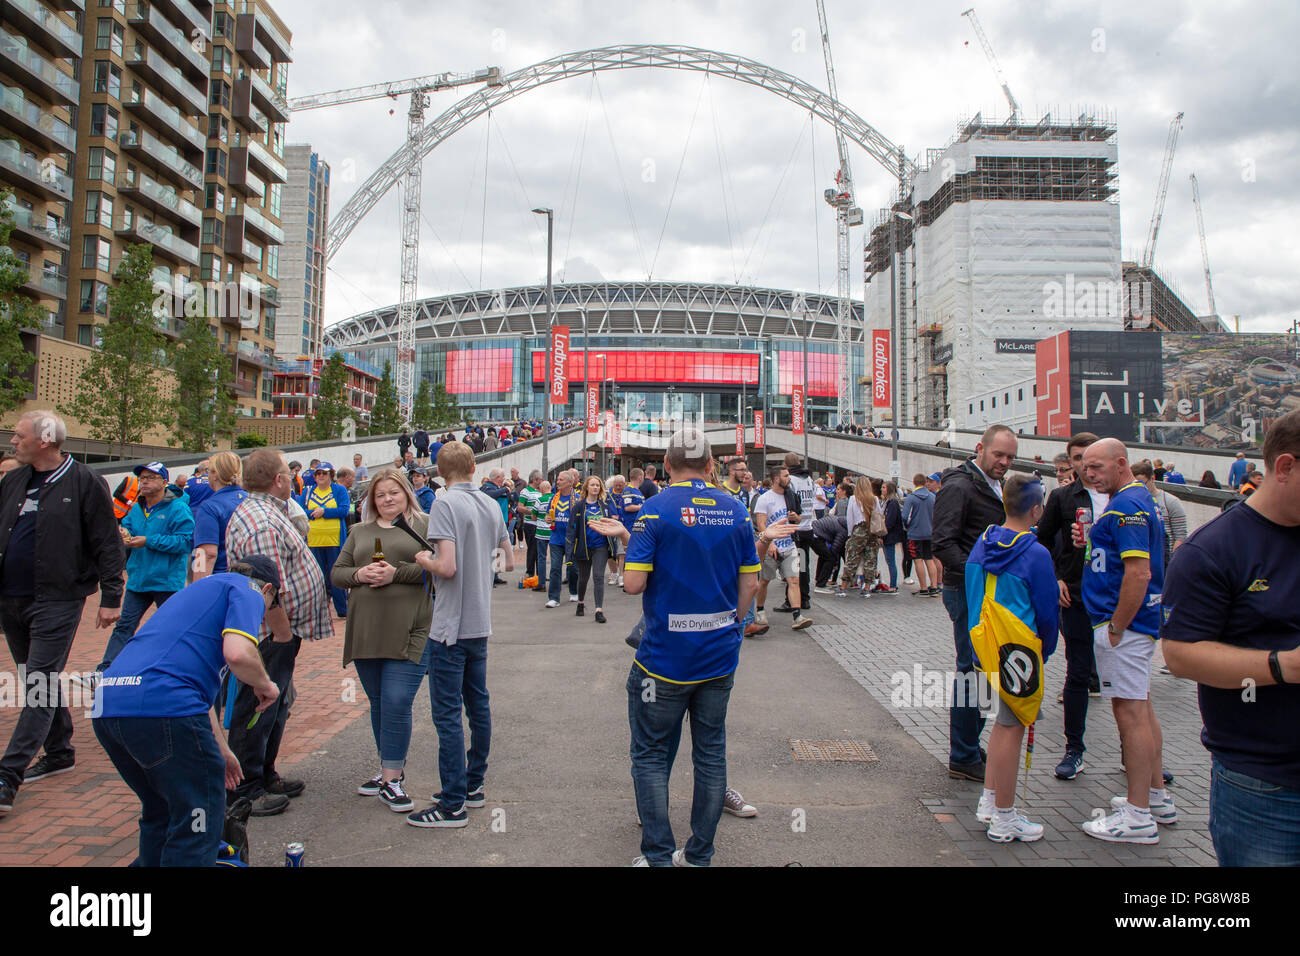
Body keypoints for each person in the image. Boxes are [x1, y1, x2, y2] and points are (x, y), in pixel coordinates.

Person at [590, 428, 761, 866]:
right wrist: (736, 624)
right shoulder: (737, 510)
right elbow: (751, 582)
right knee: (710, 752)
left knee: (649, 755)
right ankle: (699, 855)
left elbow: (631, 585)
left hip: (662, 662)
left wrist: (629, 543)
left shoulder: (654, 510)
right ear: (710, 466)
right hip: (719, 658)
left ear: (665, 465)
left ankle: (659, 855)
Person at [1160, 409, 1300, 866]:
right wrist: (1283, 665)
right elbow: (1181, 655)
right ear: (1285, 467)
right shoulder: (1213, 550)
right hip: (1264, 788)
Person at [93, 558, 280, 865]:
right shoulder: (247, 588)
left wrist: (220, 748)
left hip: (110, 705)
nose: (262, 617)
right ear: (268, 588)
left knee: (162, 810)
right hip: (164, 706)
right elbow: (238, 653)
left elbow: (192, 686)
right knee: (199, 816)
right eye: (270, 605)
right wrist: (266, 684)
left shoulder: (195, 594)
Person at [0, 411, 123, 812]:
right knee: (34, 677)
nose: (12, 441)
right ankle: (59, 750)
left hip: (58, 598)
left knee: (37, 682)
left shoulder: (84, 481)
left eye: (19, 436)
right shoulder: (14, 480)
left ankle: (7, 775)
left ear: (46, 440)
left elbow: (107, 541)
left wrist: (111, 596)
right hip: (12, 599)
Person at [407, 441, 513, 828]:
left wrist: (424, 560)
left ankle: (452, 803)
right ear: (473, 467)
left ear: (439, 471)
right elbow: (509, 560)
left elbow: (447, 567)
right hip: (478, 622)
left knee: (448, 714)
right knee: (478, 705)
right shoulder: (488, 502)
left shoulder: (445, 503)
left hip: (450, 625)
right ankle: (471, 785)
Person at [224, 449, 333, 816]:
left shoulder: (268, 511)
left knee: (275, 704)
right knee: (258, 704)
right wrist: (283, 634)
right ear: (278, 480)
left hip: (279, 633)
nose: (292, 478)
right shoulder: (262, 523)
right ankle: (246, 787)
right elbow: (269, 591)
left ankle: (263, 772)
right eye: (288, 473)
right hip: (271, 634)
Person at [1077, 438, 1175, 844]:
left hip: (1124, 627)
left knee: (1129, 714)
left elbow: (1138, 573)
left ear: (1121, 464)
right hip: (1133, 625)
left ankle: (1138, 816)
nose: (1088, 473)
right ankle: (1154, 797)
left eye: (1096, 466)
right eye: (1085, 466)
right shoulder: (1135, 501)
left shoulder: (1128, 507)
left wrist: (1116, 626)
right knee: (1142, 708)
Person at [333, 469, 433, 812]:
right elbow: (337, 572)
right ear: (371, 500)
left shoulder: (424, 524)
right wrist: (359, 574)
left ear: (406, 493)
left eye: (394, 492)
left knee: (395, 700)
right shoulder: (359, 531)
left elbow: (440, 566)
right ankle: (388, 769)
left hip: (411, 626)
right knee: (378, 703)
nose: (387, 499)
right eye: (380, 494)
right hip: (366, 629)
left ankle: (393, 779)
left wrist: (396, 573)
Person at [966, 474, 1059, 843]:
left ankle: (990, 801)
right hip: (1019, 653)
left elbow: (971, 592)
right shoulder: (1035, 553)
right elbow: (1048, 613)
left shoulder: (982, 542)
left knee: (1000, 725)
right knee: (1011, 728)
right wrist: (1044, 651)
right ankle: (1005, 817)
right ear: (1036, 510)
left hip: (986, 647)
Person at [933, 424, 1019, 782]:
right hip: (969, 592)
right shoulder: (959, 485)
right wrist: (976, 576)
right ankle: (964, 754)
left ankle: (969, 745)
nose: (1004, 462)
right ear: (980, 448)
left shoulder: (991, 484)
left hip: (985, 592)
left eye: (1010, 457)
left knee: (984, 671)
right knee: (973, 670)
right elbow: (943, 542)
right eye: (998, 455)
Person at [1034, 432, 1104, 780]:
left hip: (1115, 600)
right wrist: (1056, 578)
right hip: (1075, 594)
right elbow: (1042, 540)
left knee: (1127, 681)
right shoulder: (1062, 497)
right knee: (1077, 673)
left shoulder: (1123, 497)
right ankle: (1074, 749)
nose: (1086, 466)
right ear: (1070, 462)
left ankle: (1137, 752)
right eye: (1078, 459)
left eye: (1091, 459)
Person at [98, 462, 195, 674]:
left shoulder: (178, 508)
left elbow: (184, 542)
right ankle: (105, 671)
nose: (144, 482)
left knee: (173, 629)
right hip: (138, 580)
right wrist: (123, 534)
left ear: (164, 482)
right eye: (142, 478)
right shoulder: (136, 507)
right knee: (124, 627)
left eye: (150, 477)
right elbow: (128, 527)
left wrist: (148, 541)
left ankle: (180, 672)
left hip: (167, 581)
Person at [753, 466, 812, 630]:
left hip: (789, 545)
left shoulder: (791, 496)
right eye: (786, 476)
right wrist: (769, 543)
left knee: (794, 580)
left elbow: (798, 519)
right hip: (771, 547)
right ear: (776, 479)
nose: (789, 478)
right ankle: (760, 610)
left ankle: (797, 615)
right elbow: (761, 524)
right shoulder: (764, 499)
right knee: (764, 580)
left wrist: (796, 517)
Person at [297, 462, 350, 619]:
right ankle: (320, 609)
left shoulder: (339, 490)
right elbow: (300, 512)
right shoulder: (308, 492)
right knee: (317, 577)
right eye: (318, 473)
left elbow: (344, 509)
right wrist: (313, 512)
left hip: (334, 540)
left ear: (331, 475)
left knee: (336, 575)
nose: (321, 476)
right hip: (314, 541)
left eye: (324, 473)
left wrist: (324, 512)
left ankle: (342, 608)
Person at [191, 451, 247, 579]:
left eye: (209, 471)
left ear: (215, 474)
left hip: (221, 578)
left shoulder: (210, 507)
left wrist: (197, 589)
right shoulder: (250, 500)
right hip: (250, 577)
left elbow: (207, 554)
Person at [570, 475, 613, 623]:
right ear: (586, 488)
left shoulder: (604, 506)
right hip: (584, 546)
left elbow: (611, 523)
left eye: (597, 485)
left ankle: (598, 610)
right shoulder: (579, 506)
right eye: (592, 485)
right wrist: (570, 549)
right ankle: (580, 602)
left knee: (598, 576)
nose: (595, 487)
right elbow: (571, 529)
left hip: (600, 545)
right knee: (583, 578)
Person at [1133, 459, 1188, 567]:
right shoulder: (1132, 502)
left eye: (1142, 483)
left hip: (1165, 561)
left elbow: (1180, 536)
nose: (1139, 488)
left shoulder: (1171, 502)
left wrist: (1173, 563)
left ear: (1152, 478)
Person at [837, 477, 882, 598]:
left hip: (858, 530)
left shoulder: (853, 499)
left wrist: (850, 533)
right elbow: (879, 515)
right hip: (872, 531)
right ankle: (867, 587)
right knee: (870, 559)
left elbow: (850, 518)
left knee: (852, 559)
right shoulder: (874, 499)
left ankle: (843, 587)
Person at [784, 452, 817, 611]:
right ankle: (803, 597)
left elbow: (790, 501)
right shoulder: (809, 480)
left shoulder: (792, 481)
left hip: (797, 527)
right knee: (804, 564)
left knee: (794, 566)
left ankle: (795, 599)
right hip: (808, 526)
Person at [544, 471, 579, 608]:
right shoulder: (553, 499)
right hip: (555, 539)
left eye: (561, 479)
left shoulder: (577, 499)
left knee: (573, 568)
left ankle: (574, 591)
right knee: (555, 568)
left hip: (571, 540)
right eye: (557, 479)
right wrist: (547, 519)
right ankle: (553, 597)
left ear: (570, 483)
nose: (557, 482)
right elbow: (548, 515)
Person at [902, 473, 939, 596]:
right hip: (930, 532)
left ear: (914, 482)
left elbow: (905, 517)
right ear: (925, 482)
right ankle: (934, 586)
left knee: (918, 560)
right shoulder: (932, 497)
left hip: (915, 533)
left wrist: (908, 527)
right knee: (929, 559)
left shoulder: (911, 498)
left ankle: (923, 587)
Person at [516, 470, 544, 582]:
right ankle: (530, 572)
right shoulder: (525, 491)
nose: (542, 481)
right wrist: (532, 511)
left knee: (540, 550)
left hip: (540, 524)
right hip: (530, 524)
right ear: (535, 479)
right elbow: (520, 507)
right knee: (532, 549)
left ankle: (539, 573)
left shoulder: (540, 491)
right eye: (540, 479)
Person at [879, 481, 904, 593]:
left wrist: (883, 534)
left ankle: (893, 585)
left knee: (891, 561)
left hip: (890, 536)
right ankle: (892, 584)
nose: (882, 489)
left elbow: (890, 521)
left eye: (884, 488)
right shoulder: (887, 502)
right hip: (888, 535)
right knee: (889, 560)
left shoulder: (892, 503)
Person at [531, 479, 554, 592]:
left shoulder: (539, 500)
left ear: (542, 489)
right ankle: (555, 582)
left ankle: (541, 583)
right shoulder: (556, 498)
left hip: (541, 531)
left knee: (541, 558)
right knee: (555, 558)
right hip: (553, 531)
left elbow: (533, 516)